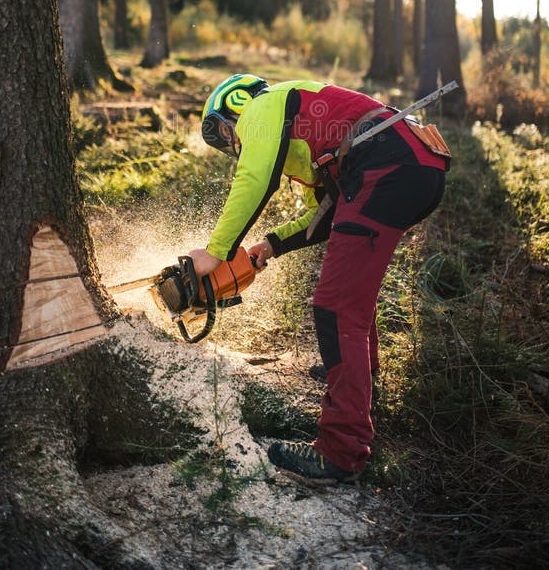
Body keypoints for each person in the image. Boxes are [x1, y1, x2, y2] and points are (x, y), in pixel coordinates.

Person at [190, 73, 450, 482]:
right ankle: (363, 378)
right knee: (353, 293)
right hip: (412, 164)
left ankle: (341, 452)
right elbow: (325, 213)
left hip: (388, 164)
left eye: (226, 133)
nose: (234, 147)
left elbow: (256, 179)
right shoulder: (310, 137)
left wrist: (215, 252)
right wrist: (270, 245)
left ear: (235, 103)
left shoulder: (265, 105)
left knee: (335, 305)